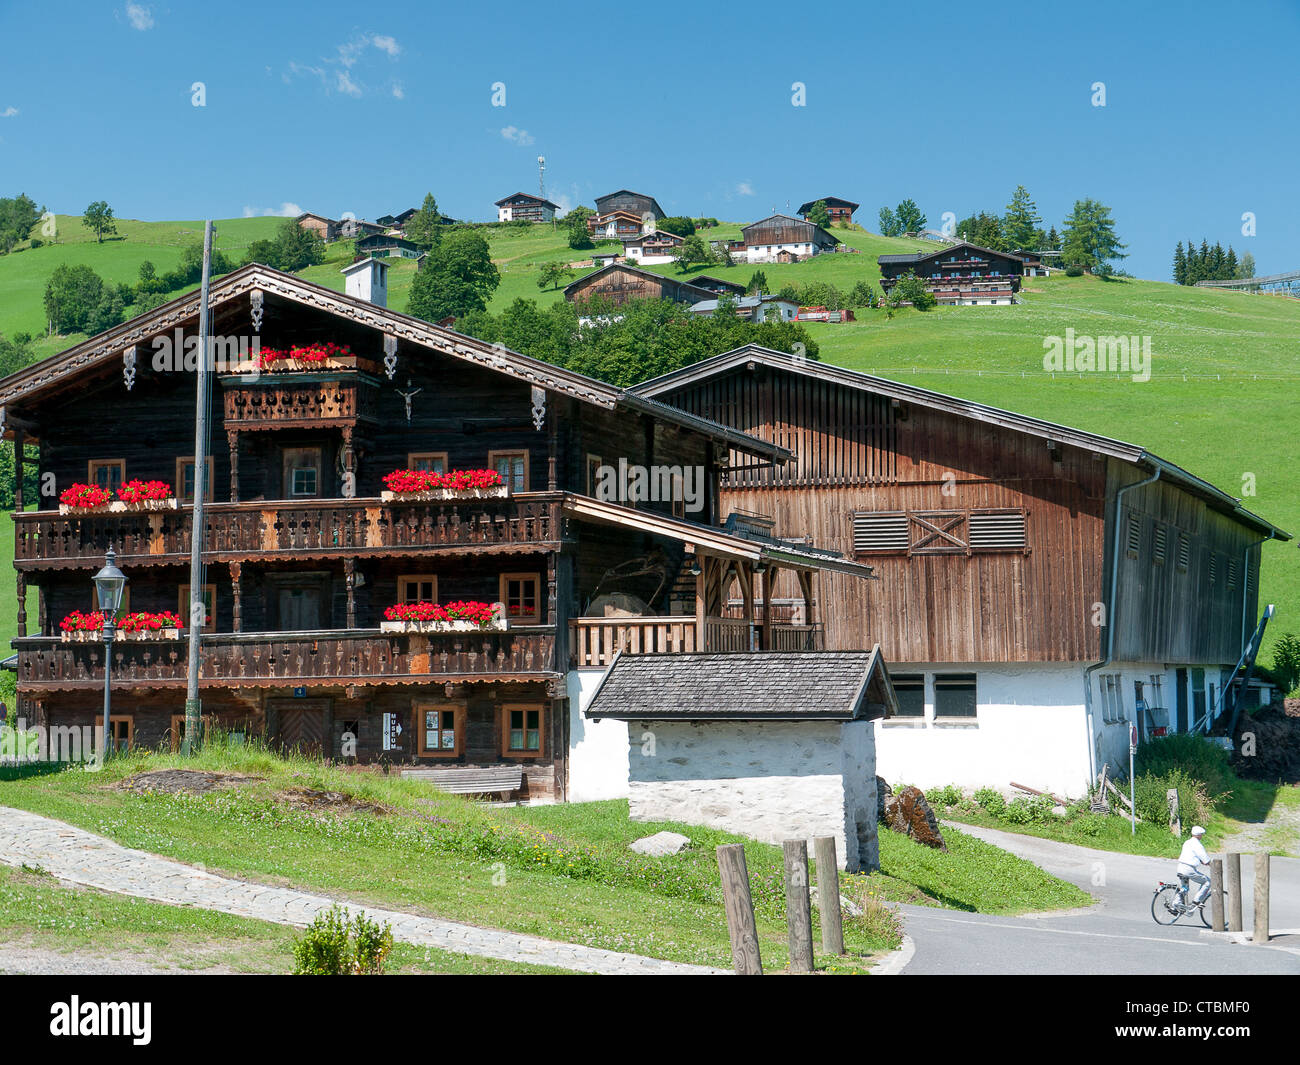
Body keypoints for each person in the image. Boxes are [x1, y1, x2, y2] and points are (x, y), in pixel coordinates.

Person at [1176, 825, 1211, 906]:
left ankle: (1176, 905)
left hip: (1180, 867)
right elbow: (1205, 859)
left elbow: (1191, 855)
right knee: (1207, 882)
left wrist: (1200, 860)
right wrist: (1212, 865)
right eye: (1201, 834)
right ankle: (1196, 901)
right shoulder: (1197, 844)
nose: (1202, 836)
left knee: (1184, 888)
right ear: (1199, 835)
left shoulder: (1187, 842)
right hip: (1189, 869)